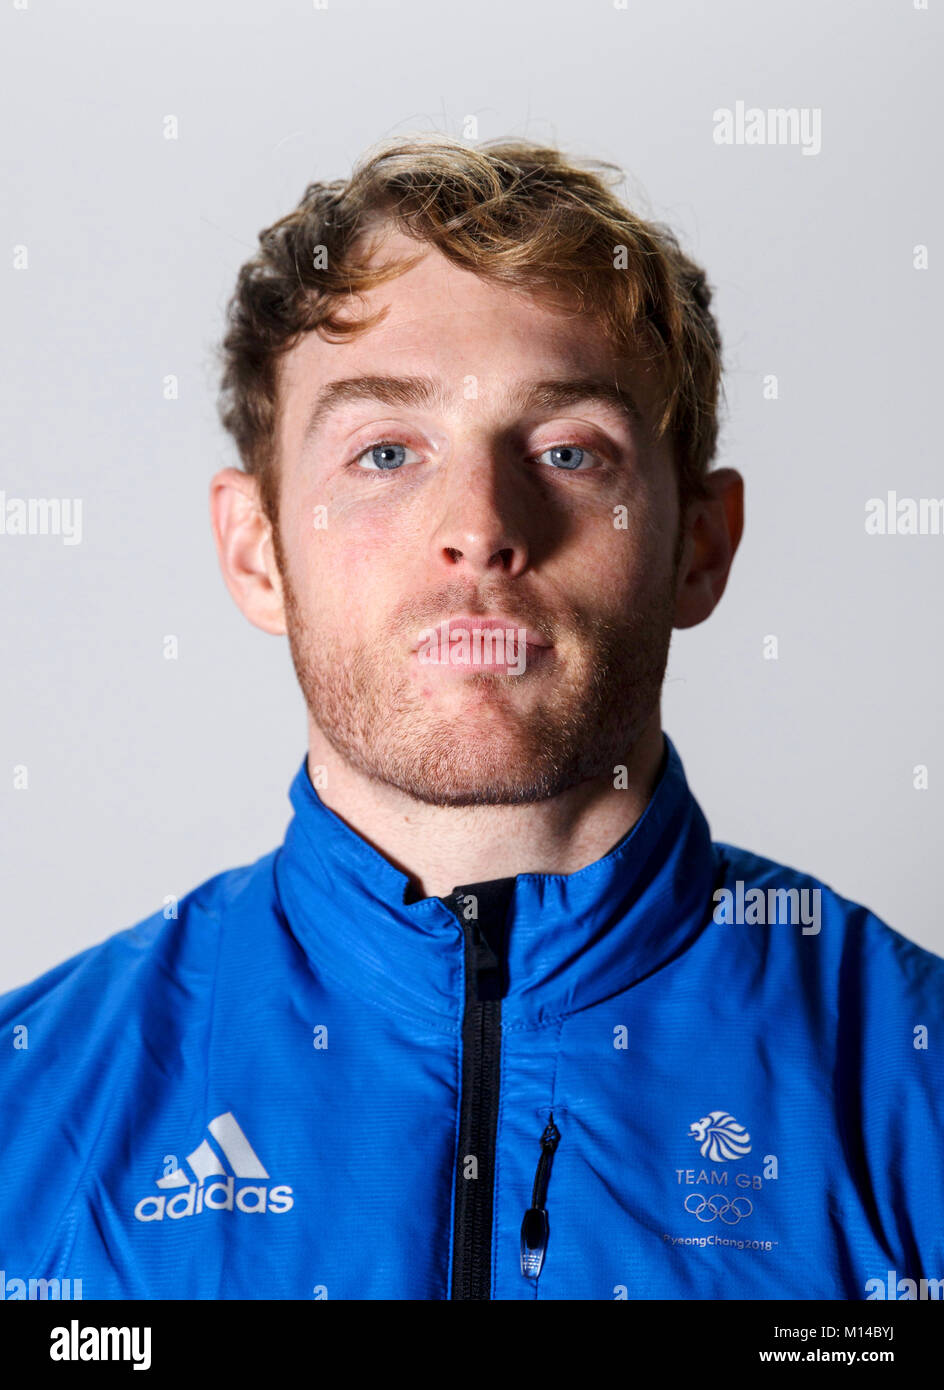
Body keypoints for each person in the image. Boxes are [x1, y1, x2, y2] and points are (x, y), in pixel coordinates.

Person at [1, 136, 941, 1302]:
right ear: (257, 553)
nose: (480, 525)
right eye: (385, 450)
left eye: (564, 450)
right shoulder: (28, 1115)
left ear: (698, 544)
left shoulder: (914, 1087)